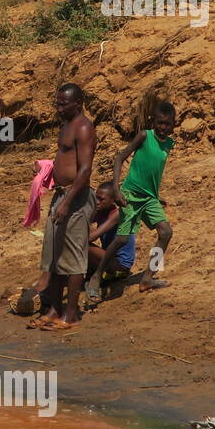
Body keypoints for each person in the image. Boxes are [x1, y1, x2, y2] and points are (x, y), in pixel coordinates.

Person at [86, 102, 177, 304]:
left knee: (166, 232)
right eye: (160, 123)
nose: (163, 127)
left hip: (149, 197)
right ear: (154, 122)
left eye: (167, 124)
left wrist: (156, 194)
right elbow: (120, 157)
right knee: (122, 239)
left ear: (173, 125)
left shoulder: (169, 144)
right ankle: (96, 276)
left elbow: (154, 170)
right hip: (130, 194)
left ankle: (148, 278)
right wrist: (117, 189)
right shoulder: (145, 136)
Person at [29, 83, 96, 332]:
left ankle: (71, 316)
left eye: (63, 103)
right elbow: (63, 160)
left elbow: (85, 169)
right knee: (53, 257)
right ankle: (54, 310)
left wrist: (67, 202)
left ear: (77, 103)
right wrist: (45, 168)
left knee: (74, 259)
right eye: (57, 102)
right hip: (61, 195)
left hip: (75, 199)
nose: (58, 108)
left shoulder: (84, 127)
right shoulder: (65, 127)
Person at [87, 181, 135, 283]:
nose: (97, 202)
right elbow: (84, 223)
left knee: (82, 245)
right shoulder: (101, 211)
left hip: (120, 264)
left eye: (101, 199)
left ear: (113, 200)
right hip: (109, 259)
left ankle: (99, 276)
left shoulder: (117, 214)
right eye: (96, 198)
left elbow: (92, 237)